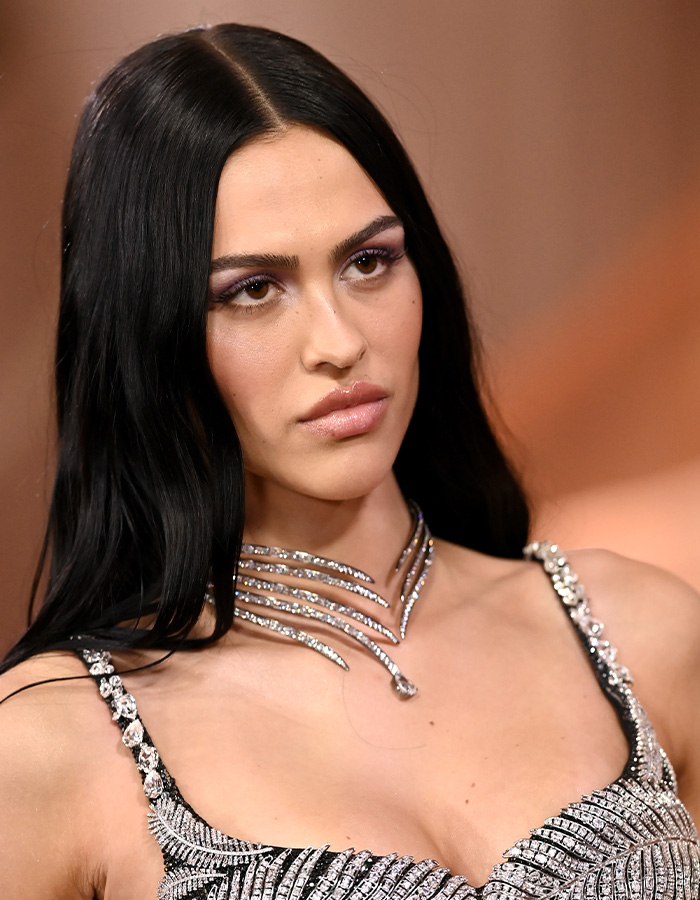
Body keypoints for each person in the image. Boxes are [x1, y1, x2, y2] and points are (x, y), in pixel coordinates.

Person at [0, 22, 698, 900]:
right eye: (252, 290)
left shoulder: (648, 635)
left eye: (369, 262)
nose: (340, 342)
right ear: (149, 337)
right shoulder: (50, 751)